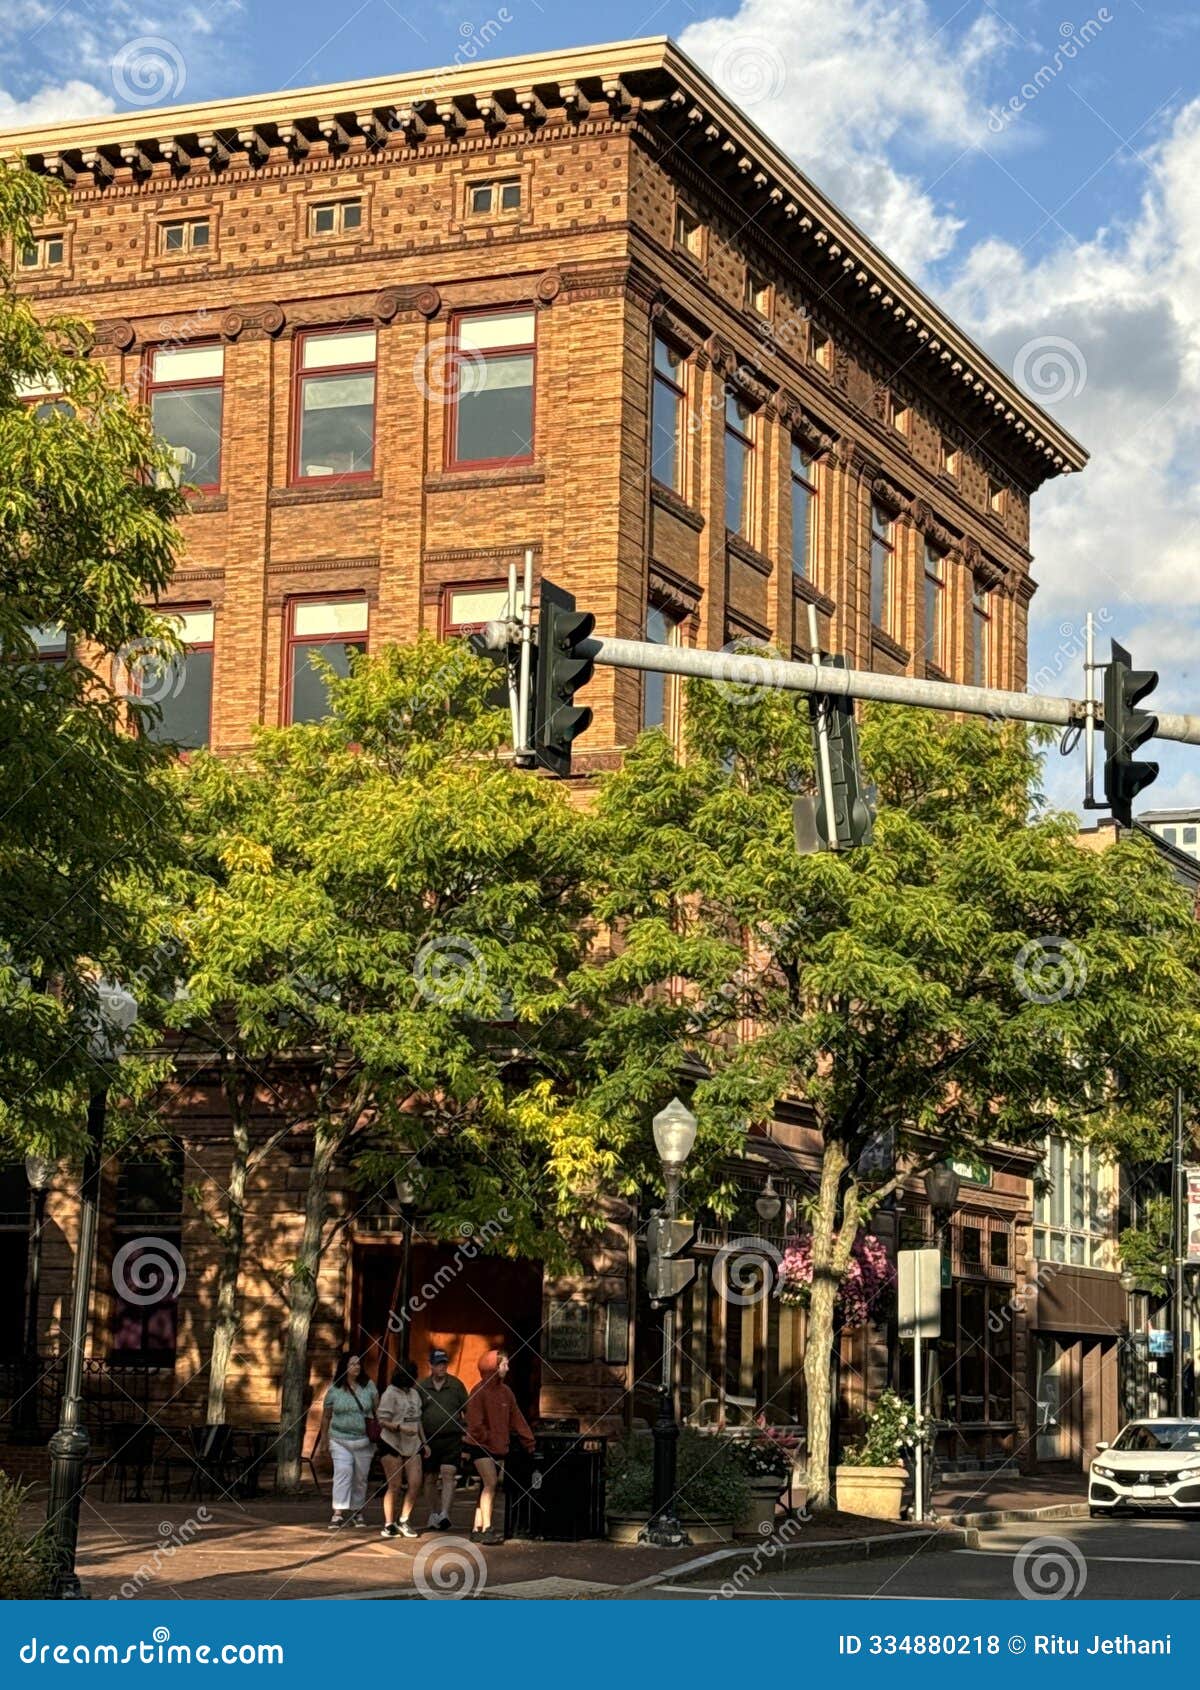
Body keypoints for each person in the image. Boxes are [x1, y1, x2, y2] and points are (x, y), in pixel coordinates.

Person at [463, 1347, 535, 1545]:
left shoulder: (506, 1392)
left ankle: (477, 1527)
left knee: (486, 1487)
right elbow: (475, 1424)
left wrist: (528, 1439)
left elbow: (517, 1418)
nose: (508, 1368)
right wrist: (489, 1438)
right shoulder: (478, 1391)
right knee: (491, 1483)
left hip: (495, 1446)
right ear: (494, 1367)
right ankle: (487, 1528)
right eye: (504, 1364)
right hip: (480, 1445)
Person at [316, 1351, 379, 1530]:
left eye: (358, 1364)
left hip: (364, 1440)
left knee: (360, 1477)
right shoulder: (335, 1389)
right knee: (343, 1473)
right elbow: (326, 1416)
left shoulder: (369, 1386)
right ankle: (338, 1512)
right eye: (352, 1364)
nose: (356, 1367)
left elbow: (377, 1410)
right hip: (339, 1439)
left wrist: (379, 1432)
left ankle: (357, 1511)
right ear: (345, 1367)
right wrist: (324, 1440)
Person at [418, 1347, 468, 1530]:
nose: (442, 1367)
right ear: (430, 1365)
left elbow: (467, 1410)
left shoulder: (456, 1385)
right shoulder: (422, 1387)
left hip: (452, 1437)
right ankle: (433, 1513)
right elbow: (416, 1414)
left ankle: (445, 1513)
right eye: (438, 1363)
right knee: (429, 1477)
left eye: (444, 1363)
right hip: (429, 1439)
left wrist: (467, 1432)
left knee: (448, 1474)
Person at [377, 1361, 429, 1539]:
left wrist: (424, 1442)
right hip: (392, 1442)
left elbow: (418, 1419)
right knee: (395, 1485)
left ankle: (404, 1519)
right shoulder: (390, 1393)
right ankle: (389, 1523)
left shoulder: (414, 1393)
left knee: (415, 1482)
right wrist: (399, 1428)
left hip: (413, 1443)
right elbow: (382, 1420)